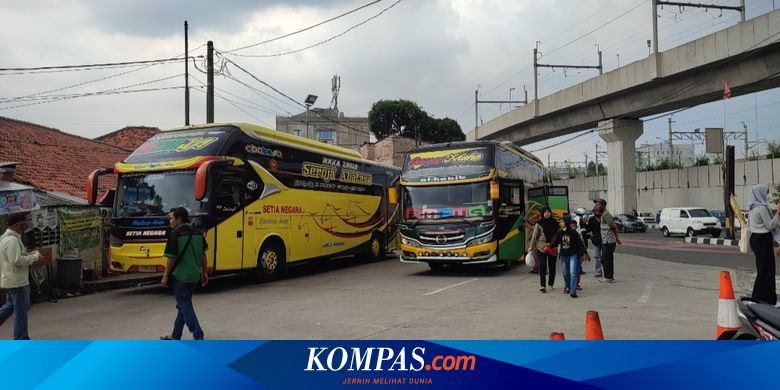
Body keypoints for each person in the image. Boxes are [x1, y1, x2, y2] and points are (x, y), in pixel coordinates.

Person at [161, 207, 208, 340]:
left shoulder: (175, 234)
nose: (170, 221)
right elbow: (203, 256)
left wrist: (165, 276)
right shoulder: (198, 233)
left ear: (179, 219)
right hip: (194, 276)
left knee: (184, 304)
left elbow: (171, 258)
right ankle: (176, 335)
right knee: (184, 303)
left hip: (180, 276)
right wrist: (204, 273)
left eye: (171, 218)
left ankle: (198, 333)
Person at [0, 213, 42, 339]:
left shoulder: (5, 238)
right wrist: (33, 257)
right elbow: (16, 260)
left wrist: (28, 254)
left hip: (11, 280)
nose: (26, 224)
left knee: (10, 307)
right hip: (17, 282)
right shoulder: (12, 240)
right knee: (21, 313)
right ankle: (21, 339)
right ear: (17, 224)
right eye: (24, 222)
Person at [747, 184, 780, 306]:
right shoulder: (761, 208)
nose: (768, 194)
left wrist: (774, 211)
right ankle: (759, 297)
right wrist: (778, 214)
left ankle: (765, 298)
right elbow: (770, 225)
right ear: (760, 193)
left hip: (756, 239)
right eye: (766, 192)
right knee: (766, 270)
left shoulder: (753, 207)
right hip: (762, 240)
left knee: (764, 269)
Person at [551, 216, 590, 298]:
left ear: (566, 223)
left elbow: (580, 243)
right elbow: (555, 242)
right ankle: (567, 286)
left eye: (562, 222)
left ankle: (573, 290)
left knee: (573, 272)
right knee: (565, 273)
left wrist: (585, 253)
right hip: (563, 255)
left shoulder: (573, 232)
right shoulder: (560, 232)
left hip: (573, 254)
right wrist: (548, 246)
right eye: (560, 222)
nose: (560, 223)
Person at [527, 206, 558, 293]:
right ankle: (543, 285)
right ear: (542, 213)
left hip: (552, 247)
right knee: (542, 266)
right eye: (545, 212)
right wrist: (531, 246)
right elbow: (534, 236)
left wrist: (556, 244)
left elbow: (558, 235)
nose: (547, 213)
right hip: (541, 247)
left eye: (548, 211)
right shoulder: (539, 223)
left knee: (552, 266)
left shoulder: (554, 222)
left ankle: (551, 283)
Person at [593, 198, 621, 283]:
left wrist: (617, 238)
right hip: (606, 240)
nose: (596, 206)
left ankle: (608, 277)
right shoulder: (603, 214)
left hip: (609, 241)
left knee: (606, 259)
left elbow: (614, 226)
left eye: (598, 204)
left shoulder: (606, 215)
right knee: (606, 259)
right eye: (596, 204)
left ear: (603, 205)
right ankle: (609, 276)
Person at [587, 208, 604, 278]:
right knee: (597, 256)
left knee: (605, 256)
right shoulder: (591, 219)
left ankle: (606, 271)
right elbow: (588, 229)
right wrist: (591, 235)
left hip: (604, 239)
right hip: (596, 240)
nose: (597, 212)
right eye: (595, 211)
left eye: (599, 211)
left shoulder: (604, 218)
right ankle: (598, 272)